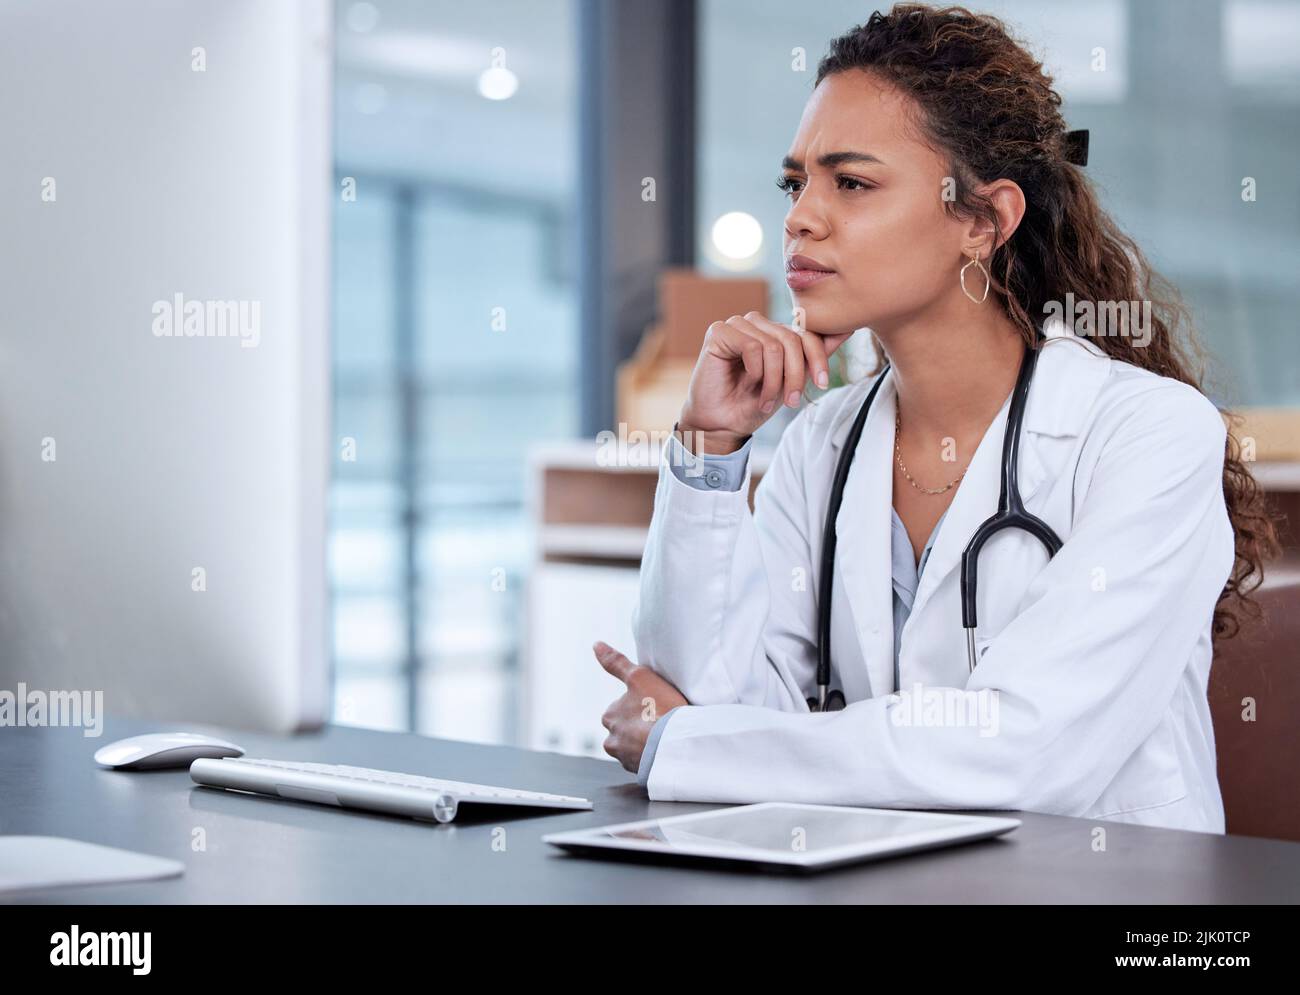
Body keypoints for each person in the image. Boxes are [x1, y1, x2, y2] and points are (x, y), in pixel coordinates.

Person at [593, 4, 1278, 833]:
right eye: (795, 181)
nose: (800, 216)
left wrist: (690, 743)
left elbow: (1023, 752)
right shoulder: (825, 443)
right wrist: (710, 447)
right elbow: (707, 698)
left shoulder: (1150, 435)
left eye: (851, 182)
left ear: (984, 221)